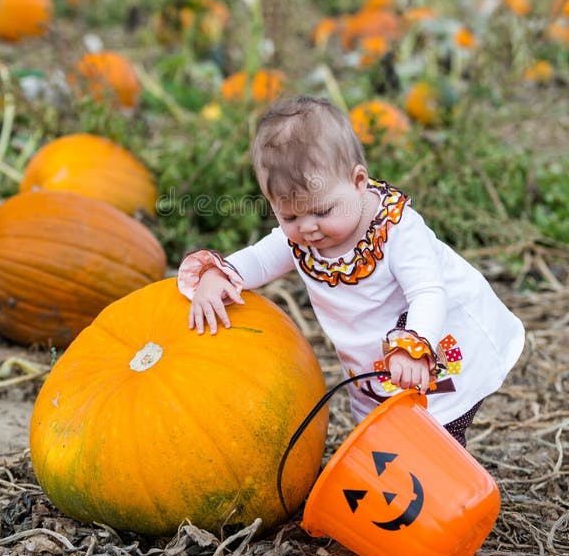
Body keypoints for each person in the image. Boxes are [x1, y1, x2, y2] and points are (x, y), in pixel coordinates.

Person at [177, 95, 524, 447]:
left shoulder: (396, 230)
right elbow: (261, 259)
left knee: (436, 431)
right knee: (390, 434)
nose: (308, 227)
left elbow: (428, 292)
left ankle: (451, 490)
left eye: (322, 211)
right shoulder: (302, 239)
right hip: (374, 364)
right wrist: (218, 274)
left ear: (359, 182)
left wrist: (415, 346)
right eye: (290, 216)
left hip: (433, 339)